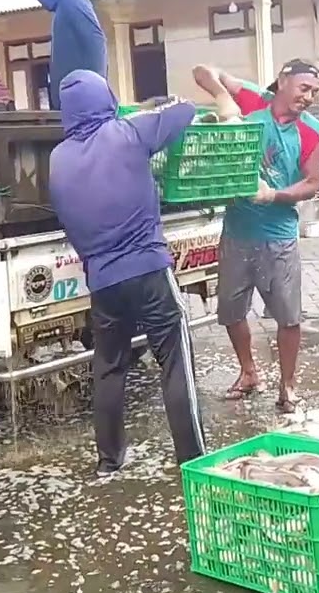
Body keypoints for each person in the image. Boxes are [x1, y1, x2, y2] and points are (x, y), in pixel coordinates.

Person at [48, 69, 206, 475]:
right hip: (148, 268)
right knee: (173, 355)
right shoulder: (127, 133)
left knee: (109, 366)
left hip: (102, 281)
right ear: (107, 99)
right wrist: (153, 107)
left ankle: (108, 461)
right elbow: (186, 111)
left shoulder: (58, 158)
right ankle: (193, 458)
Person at [191, 59, 319, 414]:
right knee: (231, 312)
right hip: (236, 232)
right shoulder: (252, 102)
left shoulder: (312, 131)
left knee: (288, 317)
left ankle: (288, 385)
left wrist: (273, 195)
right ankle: (249, 372)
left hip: (279, 237)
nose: (308, 97)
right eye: (303, 88)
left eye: (313, 91)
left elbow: (313, 184)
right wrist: (223, 95)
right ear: (282, 82)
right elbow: (203, 71)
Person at [23, 0, 108, 110]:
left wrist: (93, 92)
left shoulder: (72, 2)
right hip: (71, 105)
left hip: (84, 104)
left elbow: (96, 42)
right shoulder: (63, 7)